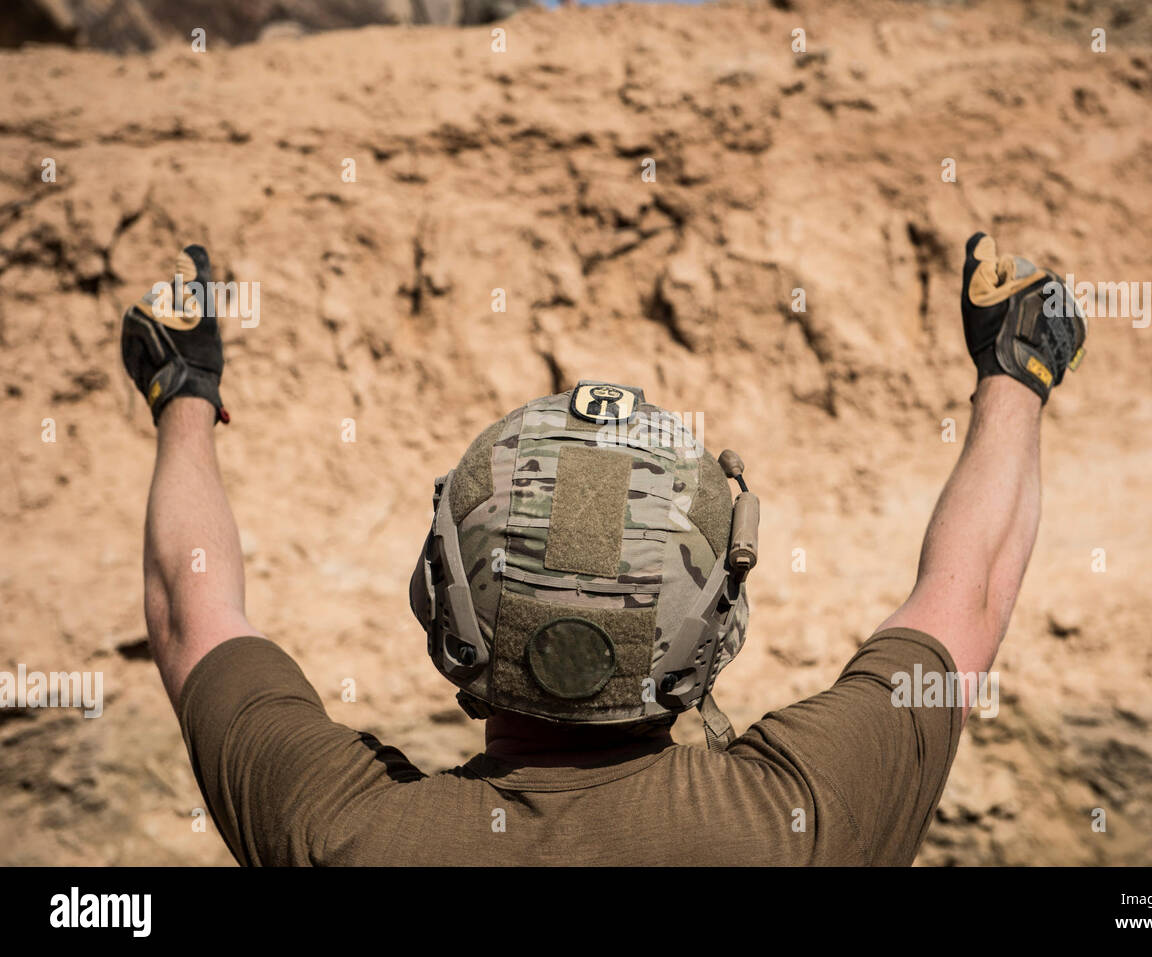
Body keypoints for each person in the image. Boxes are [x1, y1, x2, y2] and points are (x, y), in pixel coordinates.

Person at [120, 232, 1086, 865]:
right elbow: (969, 597)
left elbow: (189, 607)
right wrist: (1016, 371)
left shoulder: (341, 834)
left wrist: (184, 394)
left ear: (442, 608)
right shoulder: (801, 823)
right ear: (709, 630)